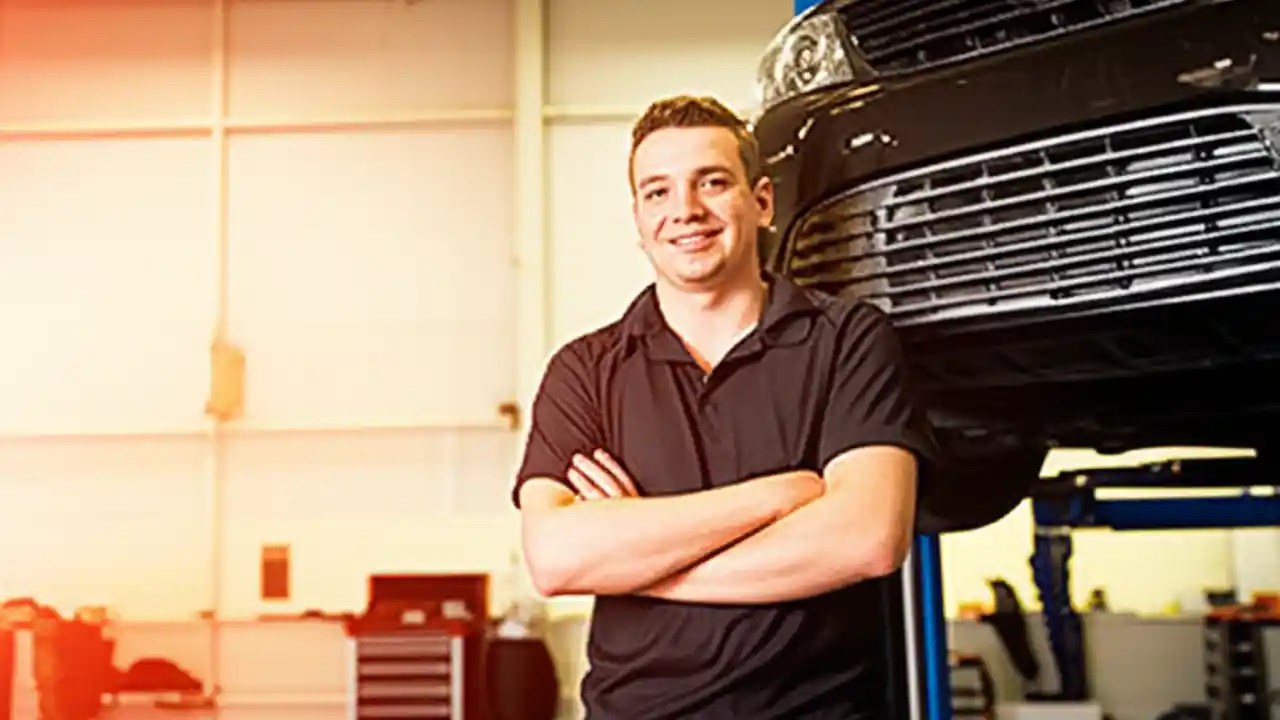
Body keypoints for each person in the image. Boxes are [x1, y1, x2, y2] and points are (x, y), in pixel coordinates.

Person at [511, 94, 938, 720]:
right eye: (657, 192)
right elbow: (554, 559)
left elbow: (868, 538)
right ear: (637, 219)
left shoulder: (848, 340)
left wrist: (638, 553)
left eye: (710, 183)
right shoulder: (585, 371)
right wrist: (777, 496)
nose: (684, 211)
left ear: (761, 201)